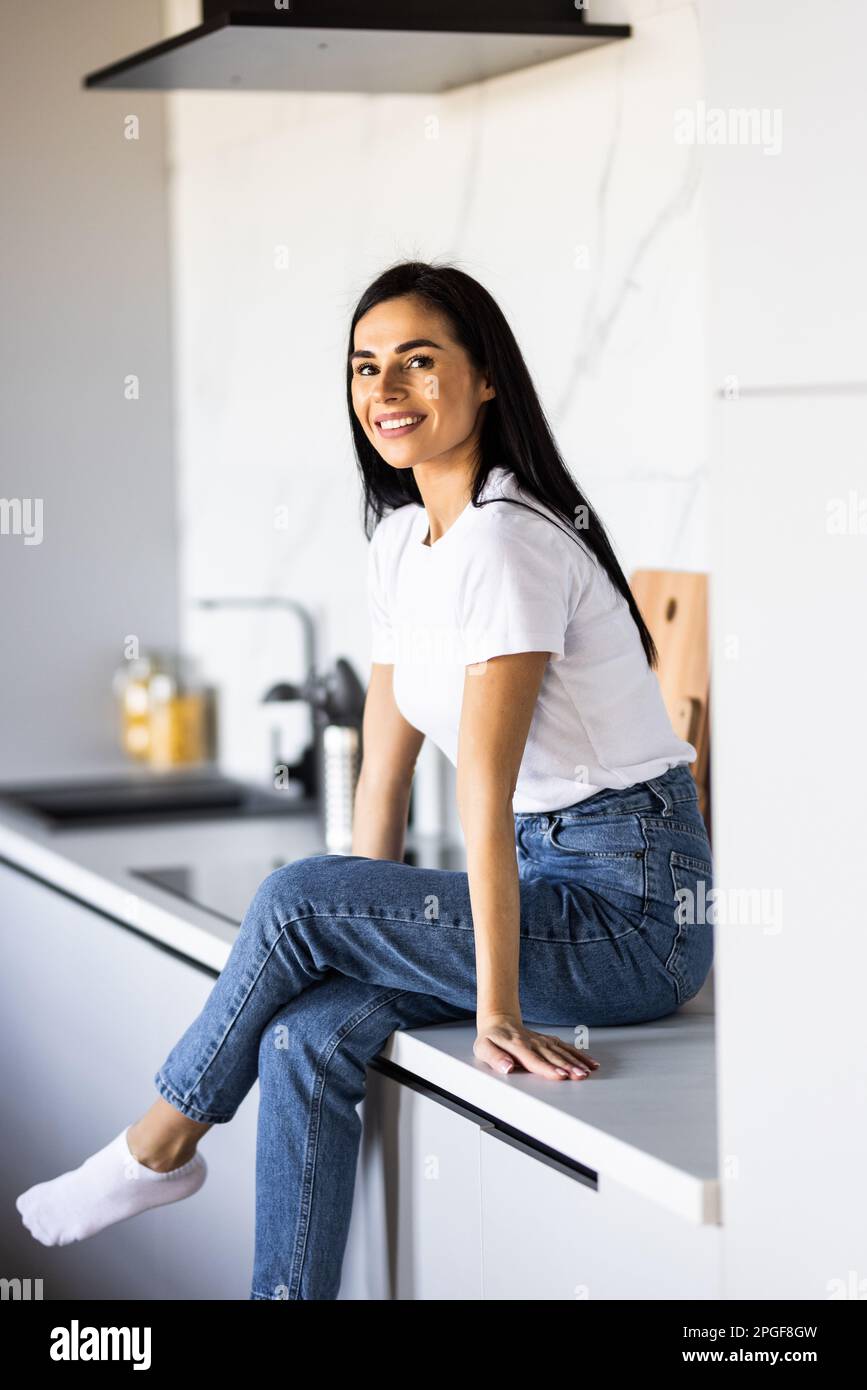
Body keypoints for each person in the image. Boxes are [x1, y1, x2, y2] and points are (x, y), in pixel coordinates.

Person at [15, 260, 713, 1300]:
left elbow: (483, 782)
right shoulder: (401, 544)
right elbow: (383, 781)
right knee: (302, 1033)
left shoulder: (511, 543)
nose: (385, 389)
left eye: (418, 363)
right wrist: (346, 932)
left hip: (635, 915)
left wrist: (496, 1005)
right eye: (366, 366)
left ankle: (156, 1145)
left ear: (485, 381)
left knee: (293, 896)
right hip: (539, 884)